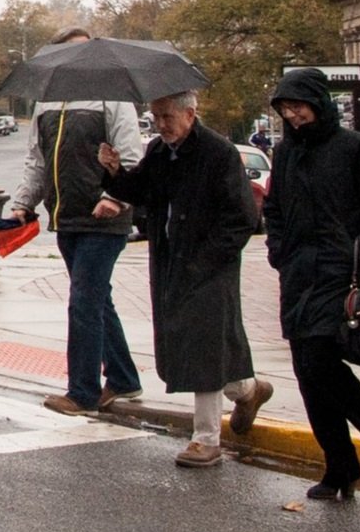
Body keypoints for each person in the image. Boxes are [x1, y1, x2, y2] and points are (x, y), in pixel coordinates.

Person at [96, 91, 274, 467]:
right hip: (171, 262)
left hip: (210, 265)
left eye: (167, 117)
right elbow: (141, 191)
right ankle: (246, 389)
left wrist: (207, 258)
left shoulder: (219, 153)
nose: (160, 125)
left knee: (204, 346)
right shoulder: (160, 153)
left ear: (190, 114)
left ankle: (206, 438)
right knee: (186, 344)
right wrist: (114, 172)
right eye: (156, 117)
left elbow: (242, 216)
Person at [261, 68, 360, 500]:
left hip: (340, 276)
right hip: (298, 275)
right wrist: (279, 251)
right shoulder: (285, 154)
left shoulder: (355, 148)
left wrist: (359, 252)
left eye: (298, 106)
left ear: (318, 104)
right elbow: (276, 209)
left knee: (321, 362)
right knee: (308, 373)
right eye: (286, 109)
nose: (293, 115)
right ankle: (339, 466)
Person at [2, 27, 148, 417]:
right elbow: (37, 160)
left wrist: (113, 198)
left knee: (83, 302)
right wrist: (22, 204)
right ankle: (123, 379)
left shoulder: (114, 100)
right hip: (66, 220)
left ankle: (82, 392)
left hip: (105, 220)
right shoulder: (47, 104)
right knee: (97, 300)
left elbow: (132, 158)